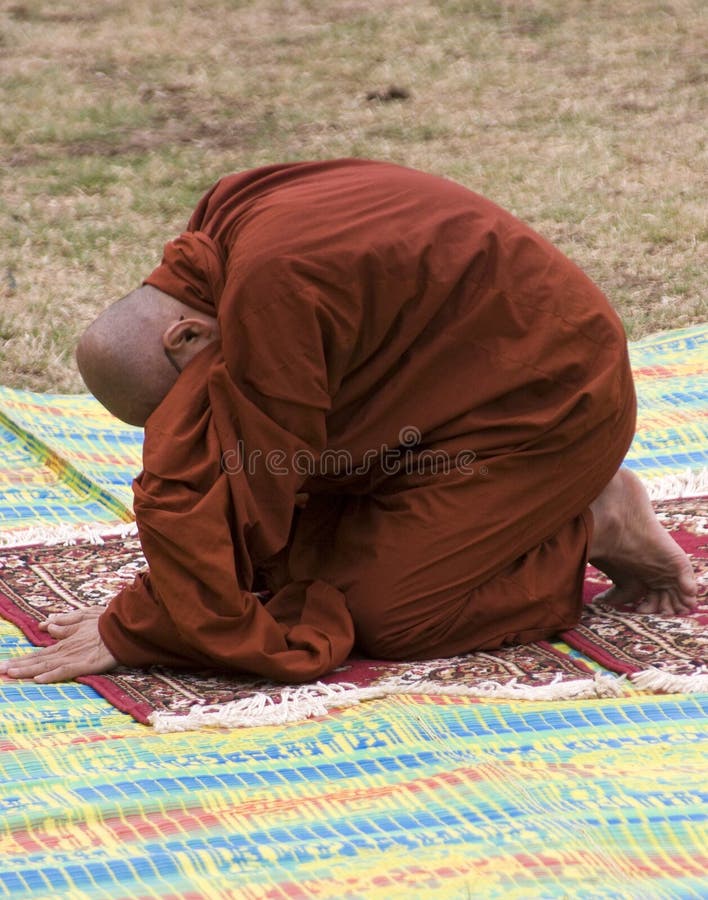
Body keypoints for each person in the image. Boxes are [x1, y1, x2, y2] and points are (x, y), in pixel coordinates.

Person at [0, 159, 696, 685]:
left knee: (391, 614)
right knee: (284, 560)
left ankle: (595, 518)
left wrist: (147, 624)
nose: (189, 433)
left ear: (183, 338)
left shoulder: (273, 290)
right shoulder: (225, 218)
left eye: (183, 413)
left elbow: (239, 479)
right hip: (442, 395)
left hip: (546, 402)